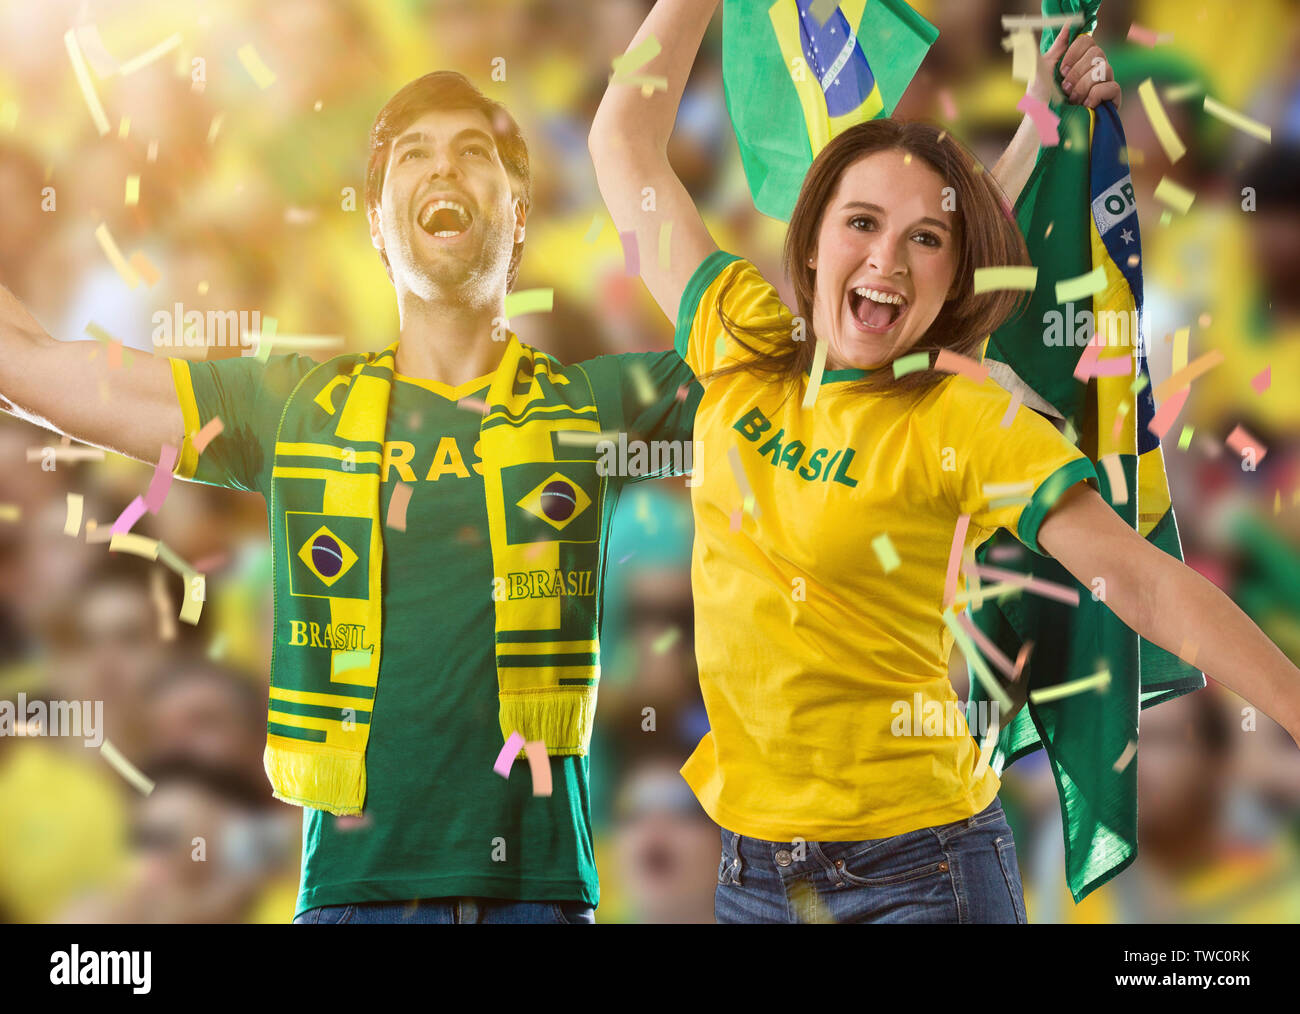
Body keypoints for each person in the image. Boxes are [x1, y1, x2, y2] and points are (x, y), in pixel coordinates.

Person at [589, 0, 1300, 923]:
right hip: (754, 881)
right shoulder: (736, 338)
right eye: (862, 224)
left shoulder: (969, 418)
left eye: (924, 240)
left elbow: (1143, 584)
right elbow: (623, 146)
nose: (887, 259)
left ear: (952, 277)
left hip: (925, 879)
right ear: (810, 241)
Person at [0, 70, 702, 924]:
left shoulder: (600, 407)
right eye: (414, 154)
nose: (443, 169)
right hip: (349, 904)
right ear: (376, 223)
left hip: (542, 900)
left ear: (520, 218)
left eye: (473, 153)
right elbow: (30, 367)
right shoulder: (290, 410)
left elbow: (762, 351)